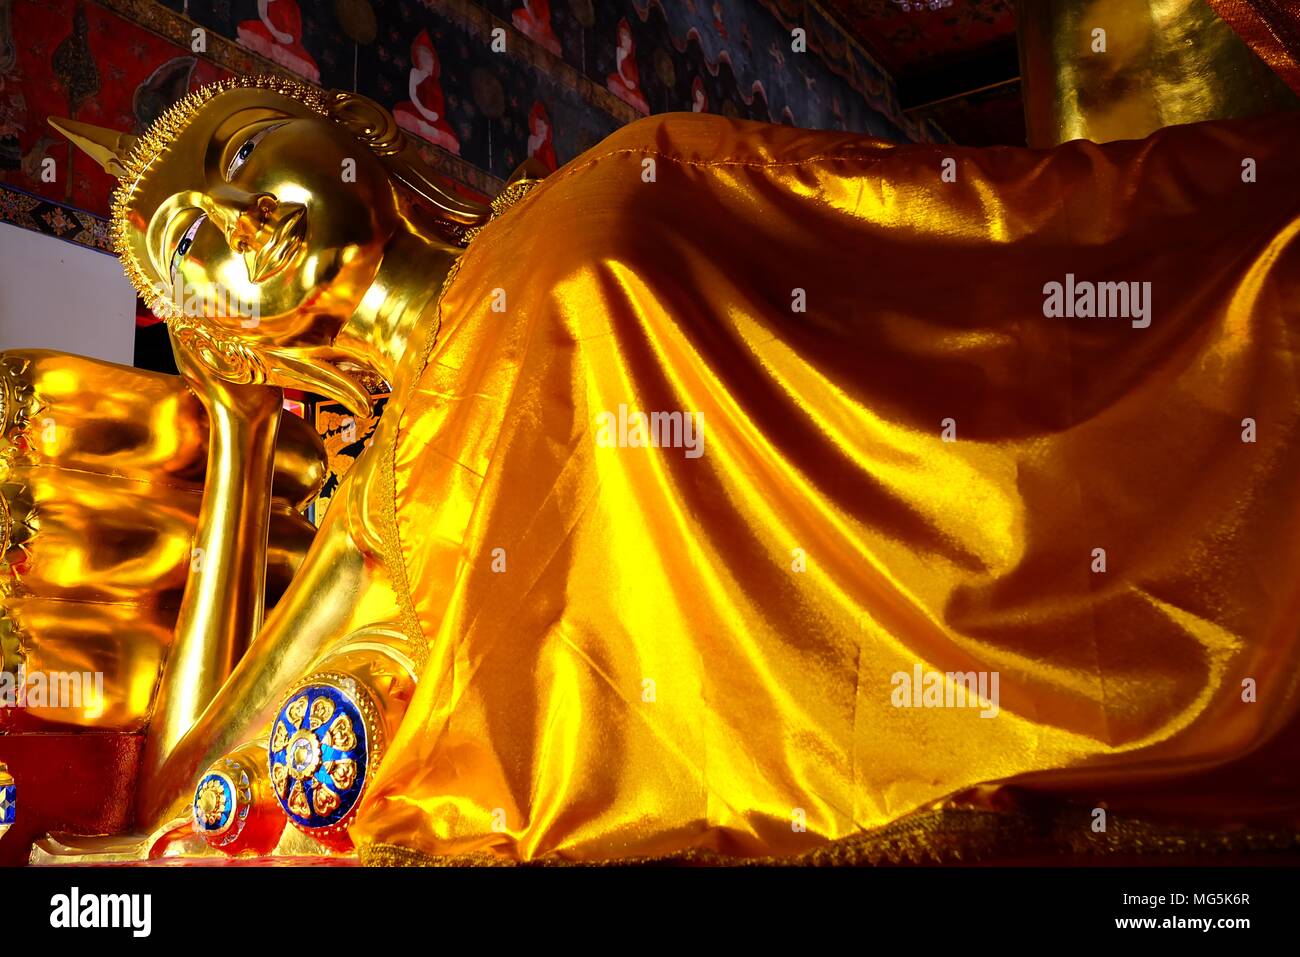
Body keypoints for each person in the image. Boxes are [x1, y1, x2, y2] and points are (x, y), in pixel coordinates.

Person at [43, 71, 1300, 863]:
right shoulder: (386, 488)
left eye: (239, 156)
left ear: (354, 130)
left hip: (945, 621)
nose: (239, 217)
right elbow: (182, 788)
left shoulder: (616, 194)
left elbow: (978, 253)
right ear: (219, 327)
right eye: (190, 244)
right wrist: (246, 443)